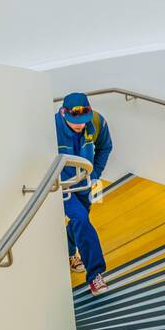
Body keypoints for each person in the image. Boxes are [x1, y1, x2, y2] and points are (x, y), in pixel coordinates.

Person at [55, 92, 113, 295]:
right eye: (74, 121)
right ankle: (95, 275)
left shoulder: (96, 121)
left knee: (79, 222)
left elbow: (105, 146)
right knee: (80, 219)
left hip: (86, 184)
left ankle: (71, 254)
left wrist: (95, 173)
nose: (79, 125)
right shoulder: (51, 128)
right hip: (63, 186)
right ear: (63, 113)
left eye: (82, 121)